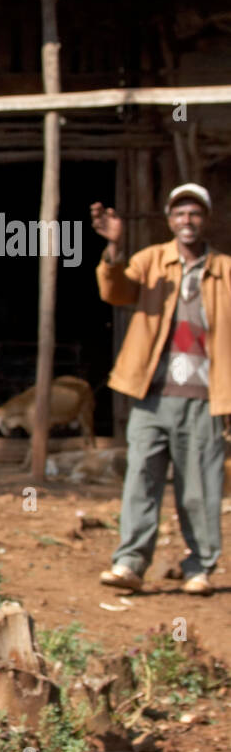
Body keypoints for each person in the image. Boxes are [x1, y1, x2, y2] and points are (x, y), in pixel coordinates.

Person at [92, 183, 228, 596]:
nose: (188, 221)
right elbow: (115, 291)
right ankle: (130, 563)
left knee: (200, 488)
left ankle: (199, 568)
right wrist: (114, 248)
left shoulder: (224, 271)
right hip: (152, 395)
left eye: (195, 213)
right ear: (170, 220)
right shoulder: (151, 261)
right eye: (180, 213)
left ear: (206, 220)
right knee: (141, 478)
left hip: (205, 397)